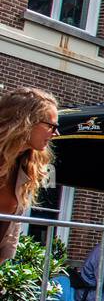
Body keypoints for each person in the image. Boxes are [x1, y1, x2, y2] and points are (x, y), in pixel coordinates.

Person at [0, 87, 58, 263]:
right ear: (26, 121)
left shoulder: (26, 166)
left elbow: (11, 232)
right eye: (51, 126)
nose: (56, 133)